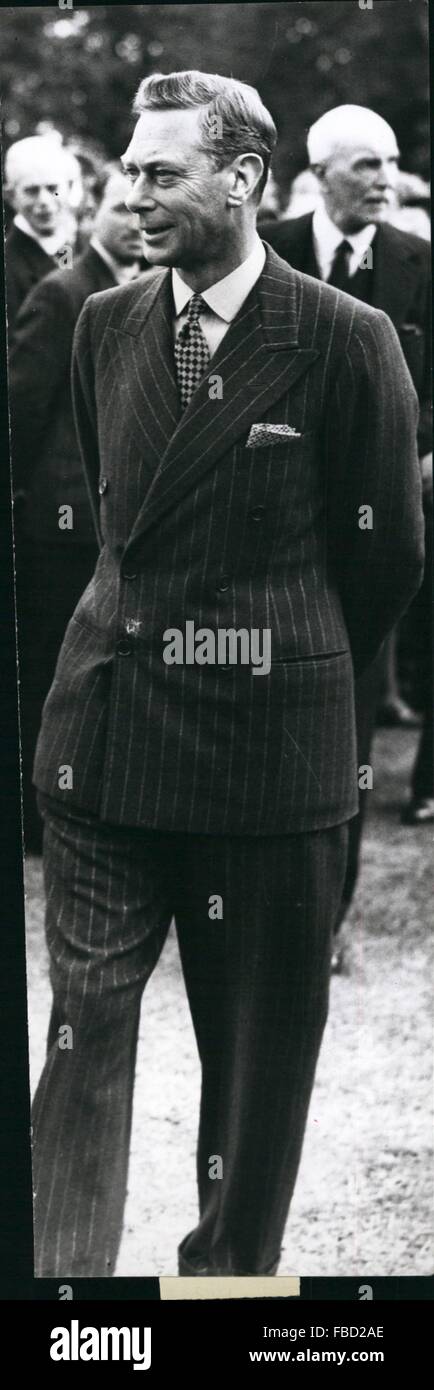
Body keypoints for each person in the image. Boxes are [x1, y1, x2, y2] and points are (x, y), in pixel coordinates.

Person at [30, 71, 424, 1279]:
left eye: (160, 173)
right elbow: (118, 512)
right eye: (126, 173)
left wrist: (280, 658)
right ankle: (62, 1292)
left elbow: (383, 561)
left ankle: (227, 1281)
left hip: (266, 754)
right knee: (83, 1028)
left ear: (242, 179)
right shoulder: (104, 322)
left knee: (254, 1063)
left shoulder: (346, 338)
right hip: (103, 733)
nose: (129, 197)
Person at [261, 106, 431, 948]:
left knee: (352, 726)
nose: (385, 180)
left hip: (371, 536)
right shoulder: (267, 249)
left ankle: (327, 917)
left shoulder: (418, 263)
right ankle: (252, 909)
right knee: (261, 719)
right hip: (272, 526)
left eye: (393, 164)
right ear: (321, 171)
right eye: (368, 164)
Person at [9, 168, 145, 853]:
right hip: (61, 525)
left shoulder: (155, 289)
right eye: (119, 208)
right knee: (52, 671)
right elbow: (23, 409)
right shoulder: (61, 294)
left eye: (138, 210)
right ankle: (39, 817)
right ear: (94, 215)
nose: (132, 221)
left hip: (120, 520)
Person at [4, 136, 80, 337]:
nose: (44, 201)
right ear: (11, 197)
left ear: (69, 188)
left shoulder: (76, 248)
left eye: (53, 189)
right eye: (31, 191)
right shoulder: (7, 265)